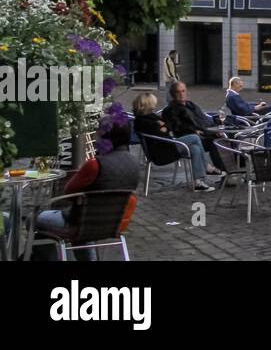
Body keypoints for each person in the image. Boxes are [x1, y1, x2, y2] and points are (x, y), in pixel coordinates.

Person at [34, 115, 139, 258]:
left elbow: (68, 191)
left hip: (80, 221)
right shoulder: (134, 163)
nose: (96, 136)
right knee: (82, 227)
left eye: (98, 132)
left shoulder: (95, 164)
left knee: (35, 219)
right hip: (114, 222)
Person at [132, 92, 218, 190]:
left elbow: (168, 126)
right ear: (148, 104)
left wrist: (164, 127)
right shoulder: (141, 121)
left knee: (195, 148)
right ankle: (206, 166)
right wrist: (163, 127)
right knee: (194, 137)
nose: (155, 105)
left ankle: (198, 182)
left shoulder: (152, 117)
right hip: (161, 151)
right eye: (153, 103)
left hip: (168, 145)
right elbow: (160, 133)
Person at [162, 81, 225, 171]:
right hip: (190, 139)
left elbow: (203, 119)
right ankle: (223, 171)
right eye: (178, 92)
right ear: (172, 94)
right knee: (216, 142)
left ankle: (238, 167)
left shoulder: (191, 105)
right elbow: (177, 127)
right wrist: (194, 131)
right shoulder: (170, 110)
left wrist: (216, 127)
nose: (181, 94)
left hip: (205, 133)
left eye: (183, 91)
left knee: (230, 137)